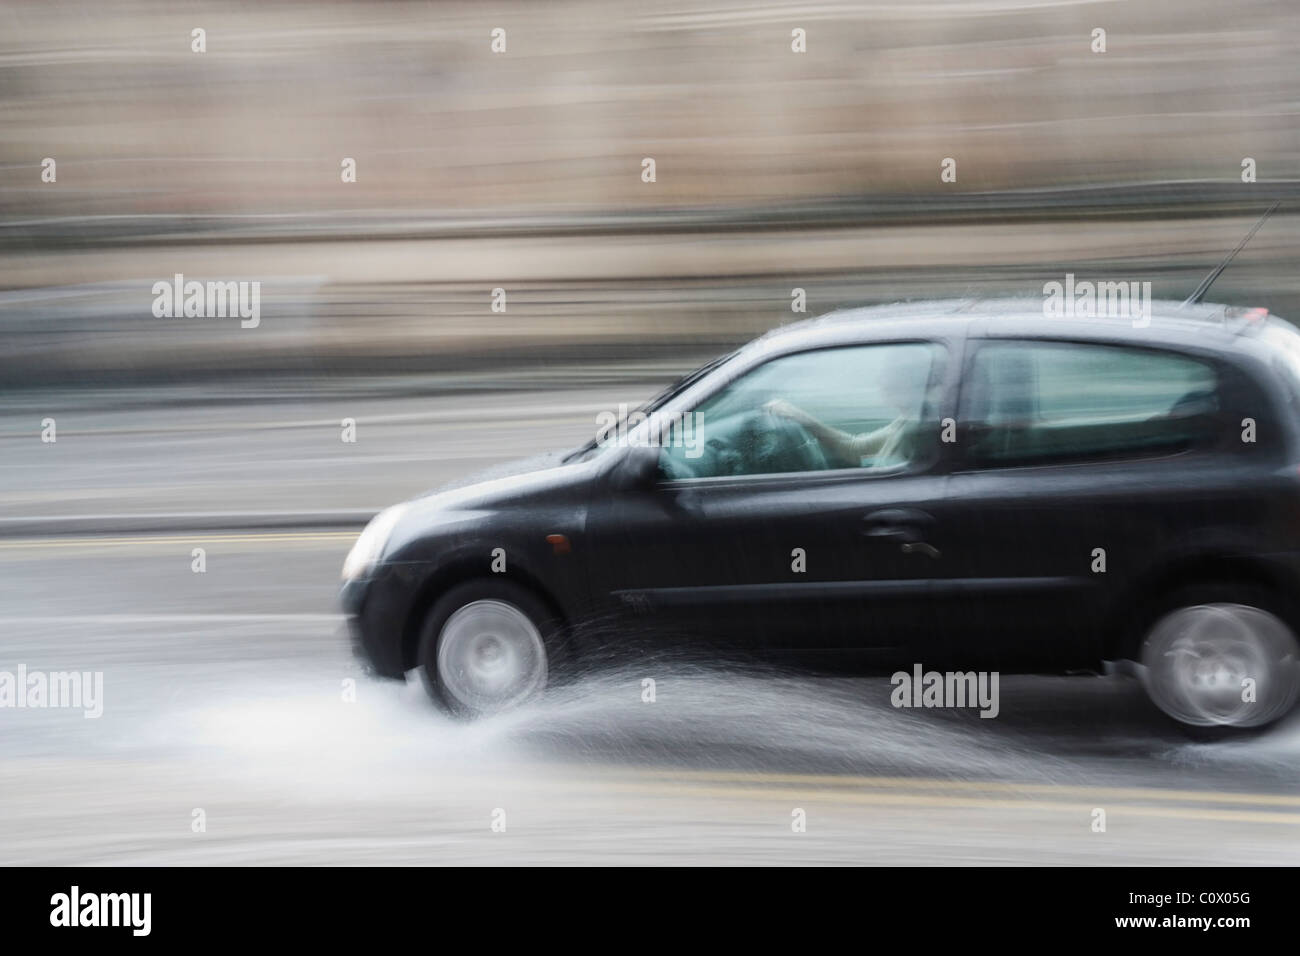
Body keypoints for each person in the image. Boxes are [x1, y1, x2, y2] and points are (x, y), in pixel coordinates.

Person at [762, 360, 928, 469]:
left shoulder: (924, 429)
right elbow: (855, 448)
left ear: (909, 382)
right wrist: (798, 416)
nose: (881, 382)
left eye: (889, 376)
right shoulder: (906, 420)